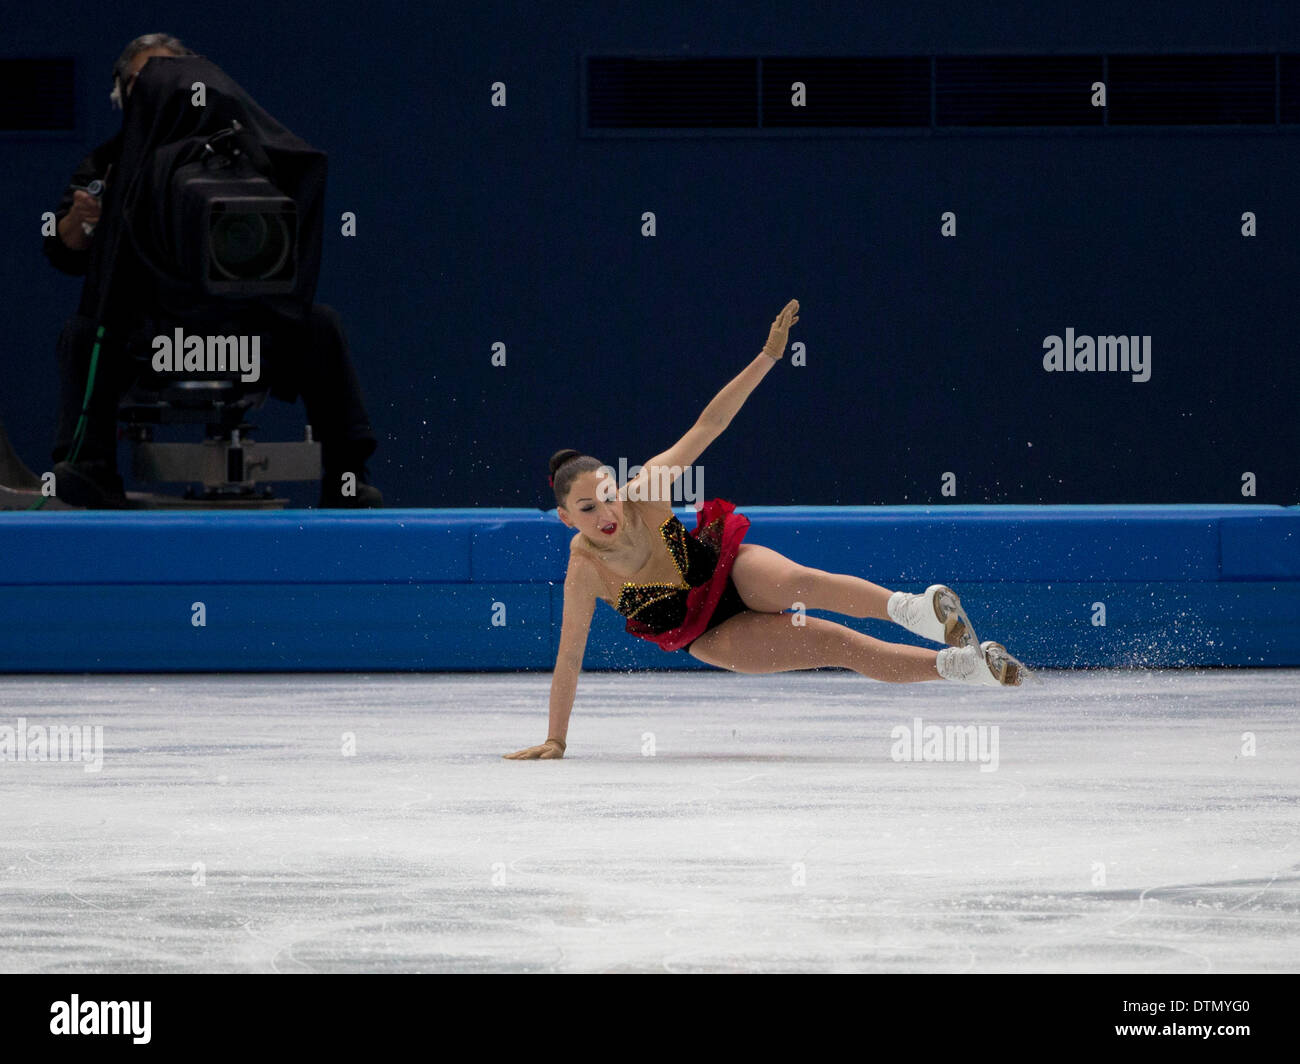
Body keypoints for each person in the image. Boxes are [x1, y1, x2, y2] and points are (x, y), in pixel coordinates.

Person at [505, 299, 1026, 760]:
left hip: (730, 575)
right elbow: (569, 657)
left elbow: (708, 425)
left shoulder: (645, 492)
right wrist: (557, 739)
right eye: (587, 509)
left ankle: (912, 609)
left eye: (607, 495)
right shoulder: (585, 573)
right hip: (712, 634)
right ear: (567, 518)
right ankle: (965, 666)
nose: (606, 513)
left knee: (801, 583)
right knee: (834, 644)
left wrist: (769, 356)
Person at [43, 33, 381, 508]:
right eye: (147, 79)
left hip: (242, 327)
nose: (164, 87)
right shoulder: (105, 165)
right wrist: (78, 222)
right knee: (84, 334)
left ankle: (348, 476)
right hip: (153, 334)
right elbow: (62, 250)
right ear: (122, 92)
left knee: (321, 326)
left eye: (174, 75)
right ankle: (90, 469)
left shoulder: (242, 151)